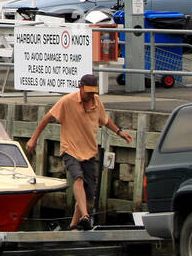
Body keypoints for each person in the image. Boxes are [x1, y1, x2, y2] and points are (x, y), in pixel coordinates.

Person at [25, 73, 132, 230]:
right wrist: (33, 139)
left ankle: (73, 226)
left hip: (89, 151)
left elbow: (105, 120)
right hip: (71, 149)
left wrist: (119, 132)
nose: (91, 95)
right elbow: (47, 118)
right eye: (88, 92)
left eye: (93, 92)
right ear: (80, 87)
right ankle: (85, 216)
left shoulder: (96, 102)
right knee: (78, 179)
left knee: (88, 195)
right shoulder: (67, 101)